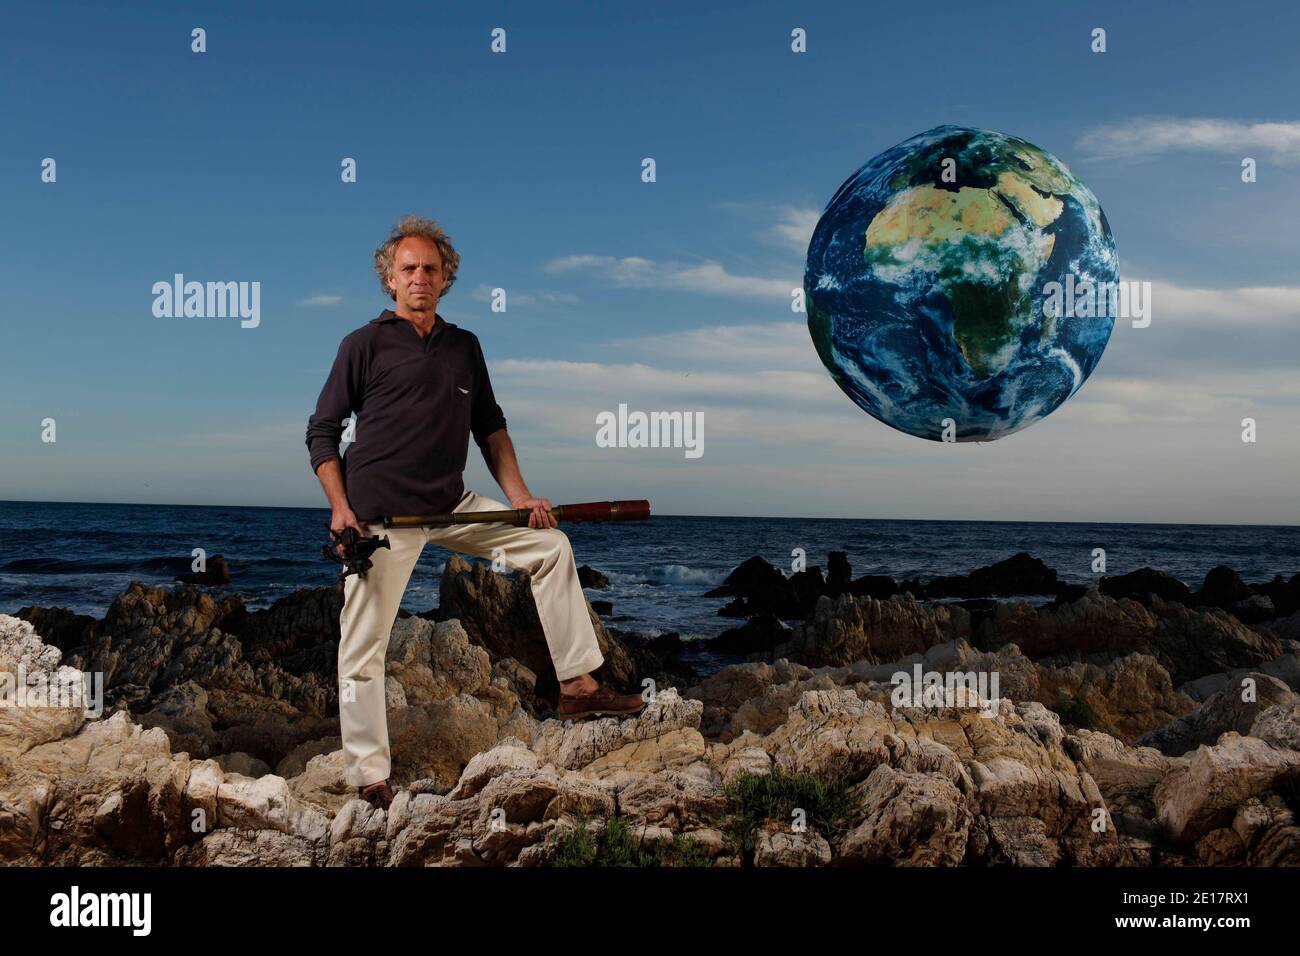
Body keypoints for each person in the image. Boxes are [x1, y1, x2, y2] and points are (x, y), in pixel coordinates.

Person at [305, 215, 645, 811]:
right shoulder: (362, 345)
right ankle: (370, 778)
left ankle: (577, 684)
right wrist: (341, 509)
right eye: (408, 268)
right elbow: (322, 432)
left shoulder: (465, 347)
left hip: (452, 506)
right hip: (380, 519)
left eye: (430, 269)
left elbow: (490, 428)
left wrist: (520, 496)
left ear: (446, 278)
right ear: (389, 278)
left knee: (551, 548)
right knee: (361, 649)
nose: (419, 277)